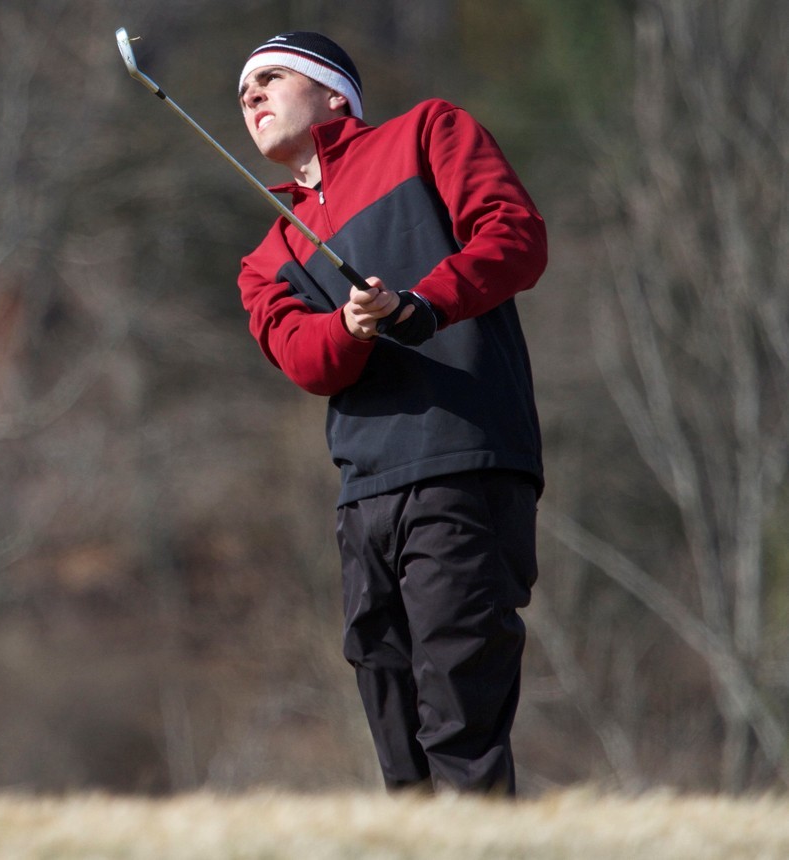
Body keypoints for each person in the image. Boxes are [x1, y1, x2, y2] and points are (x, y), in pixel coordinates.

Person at [235, 31, 546, 796]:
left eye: (270, 79)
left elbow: (516, 238)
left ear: (334, 93)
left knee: (458, 714)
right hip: (363, 494)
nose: (251, 97)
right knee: (396, 735)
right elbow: (304, 358)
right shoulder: (264, 260)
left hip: (464, 462)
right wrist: (349, 325)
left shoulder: (429, 134)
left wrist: (421, 304)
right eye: (244, 92)